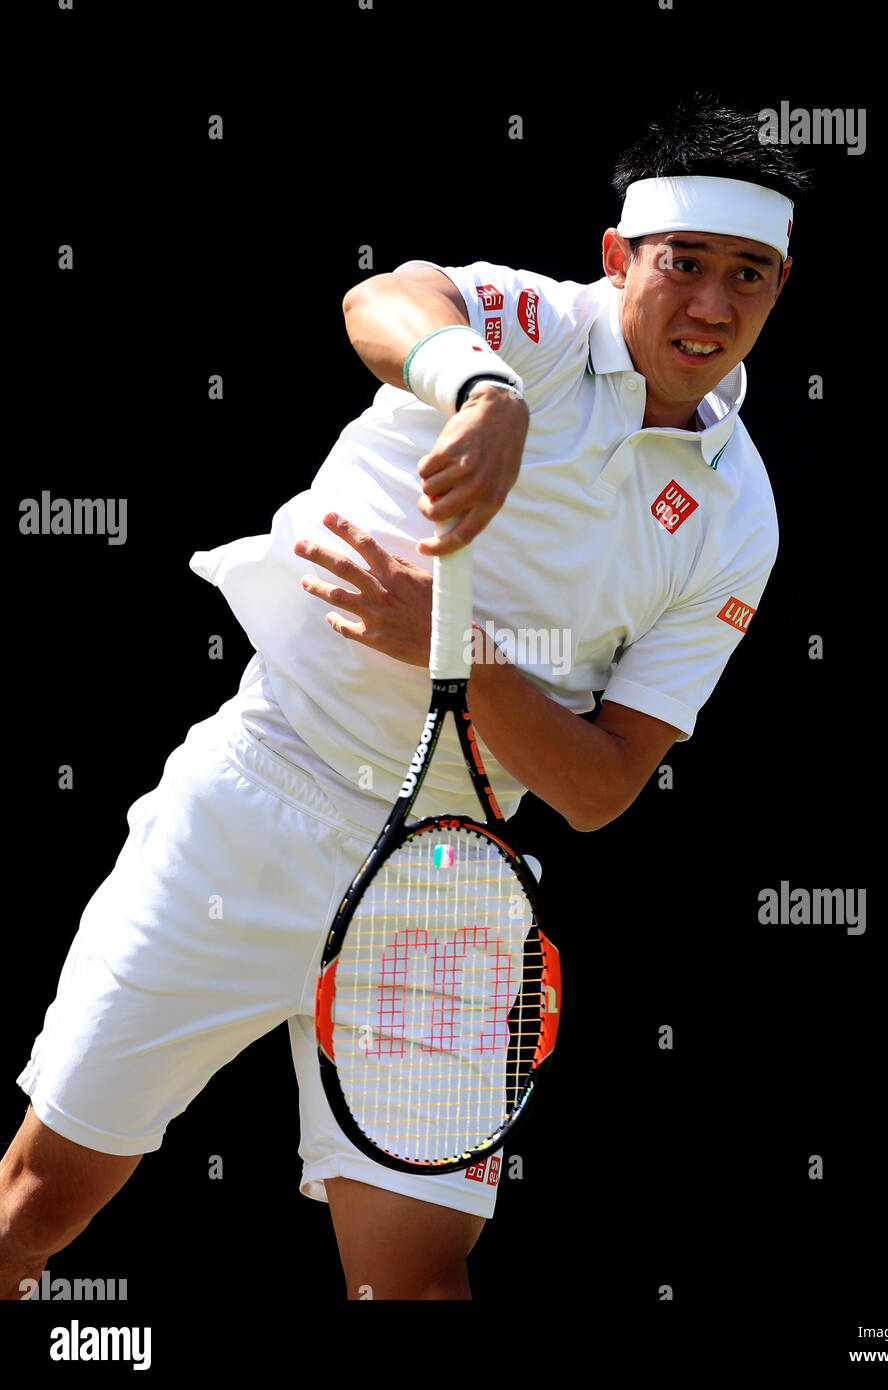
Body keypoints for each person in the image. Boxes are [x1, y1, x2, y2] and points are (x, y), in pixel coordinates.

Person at [0, 96, 808, 1301]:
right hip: (253, 804)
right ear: (615, 262)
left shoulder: (739, 517)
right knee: (33, 1208)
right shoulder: (530, 326)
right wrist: (482, 388)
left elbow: (597, 788)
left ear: (776, 289)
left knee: (416, 1286)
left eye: (746, 275)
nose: (709, 302)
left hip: (448, 876)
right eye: (681, 264)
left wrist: (446, 644)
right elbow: (381, 299)